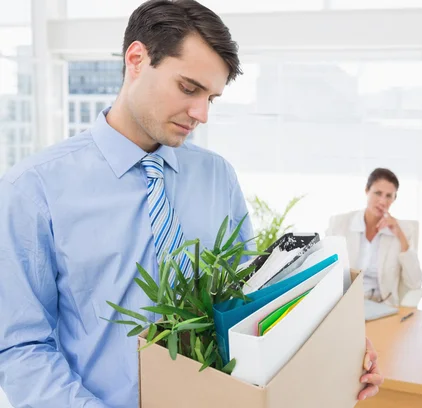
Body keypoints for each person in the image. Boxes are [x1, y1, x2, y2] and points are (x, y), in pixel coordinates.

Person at [0, 1, 382, 407]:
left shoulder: (218, 177)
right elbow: (20, 347)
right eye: (188, 88)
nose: (200, 113)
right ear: (136, 59)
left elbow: (250, 308)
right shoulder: (34, 189)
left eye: (211, 98)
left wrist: (335, 356)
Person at [326, 168, 422, 306]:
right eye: (378, 193)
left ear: (394, 198)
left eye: (389, 196)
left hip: (381, 304)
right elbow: (326, 272)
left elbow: (415, 282)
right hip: (344, 303)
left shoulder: (403, 231)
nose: (383, 201)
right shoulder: (340, 224)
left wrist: (400, 236)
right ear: (367, 191)